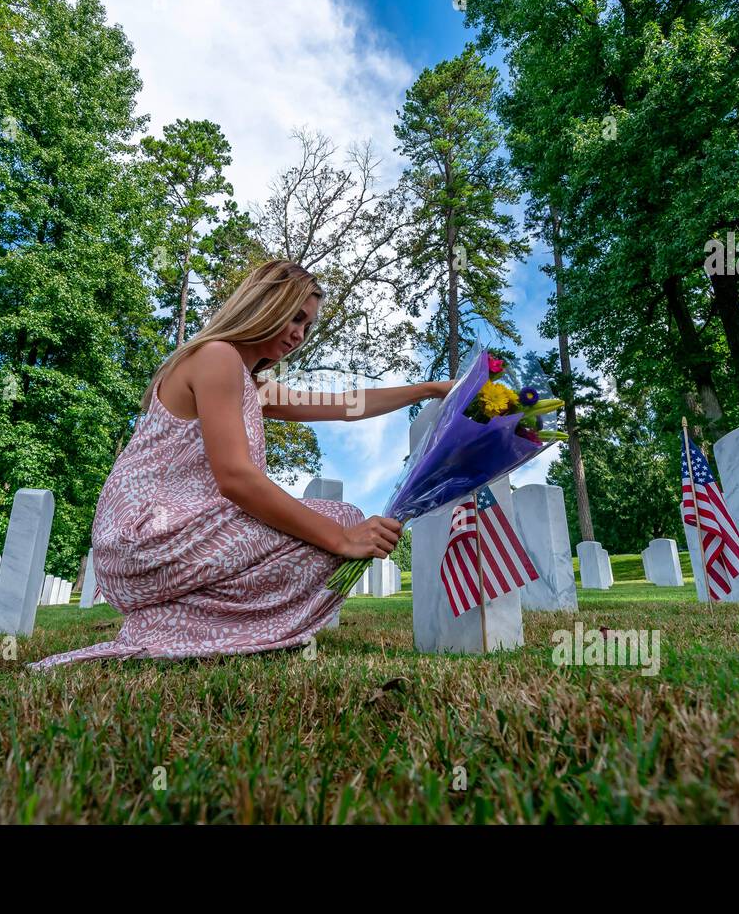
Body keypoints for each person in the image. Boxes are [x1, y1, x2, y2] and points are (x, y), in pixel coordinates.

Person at [29, 259, 452, 666]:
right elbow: (234, 478)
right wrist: (341, 539)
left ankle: (175, 624)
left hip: (179, 534)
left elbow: (346, 405)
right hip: (145, 535)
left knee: (341, 518)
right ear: (265, 304)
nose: (299, 333)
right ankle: (177, 629)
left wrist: (429, 389)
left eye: (307, 325)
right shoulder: (216, 357)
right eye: (294, 317)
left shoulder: (249, 383)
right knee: (341, 521)